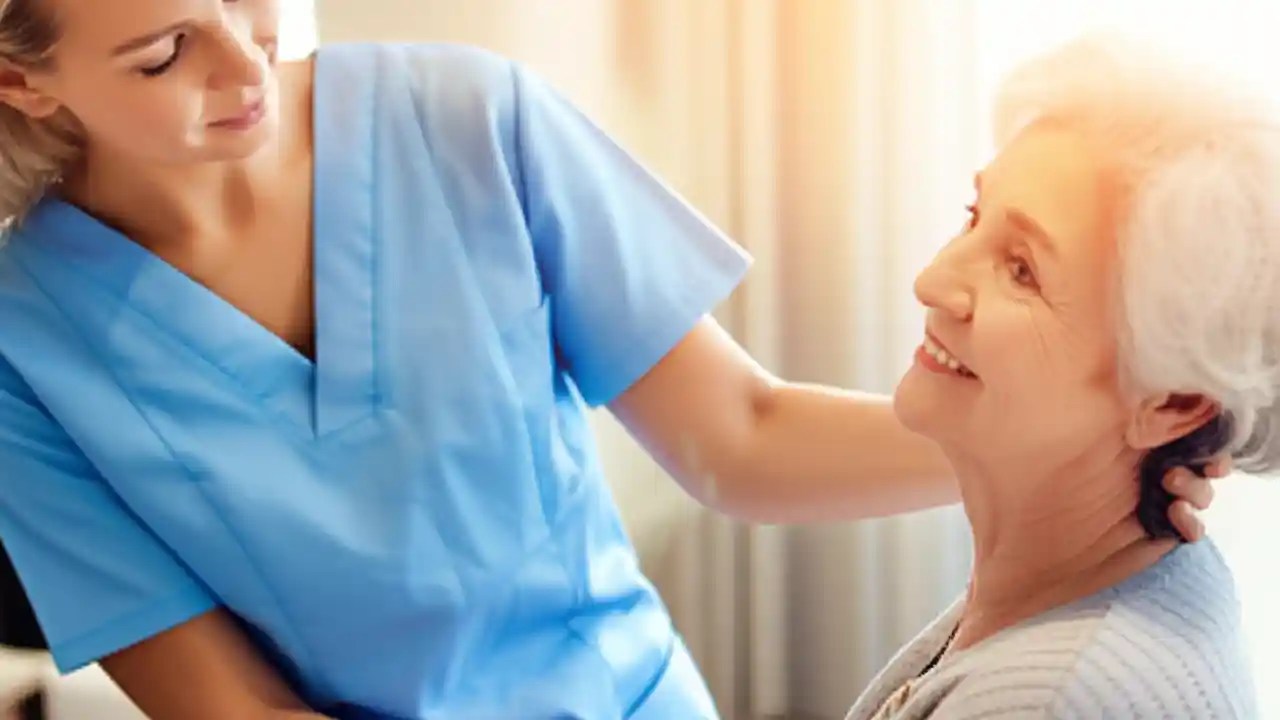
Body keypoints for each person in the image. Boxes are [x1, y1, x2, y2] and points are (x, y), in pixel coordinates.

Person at [0, 2, 1218, 718]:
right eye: (162, 52)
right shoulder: (23, 345)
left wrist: (1067, 431)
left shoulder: (467, 122)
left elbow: (738, 440)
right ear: (26, 83)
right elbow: (232, 713)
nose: (246, 61)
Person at [844, 34, 1267, 720]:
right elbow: (735, 438)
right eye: (972, 217)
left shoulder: (1046, 700)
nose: (931, 282)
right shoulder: (1105, 587)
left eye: (1022, 270)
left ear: (1176, 400)